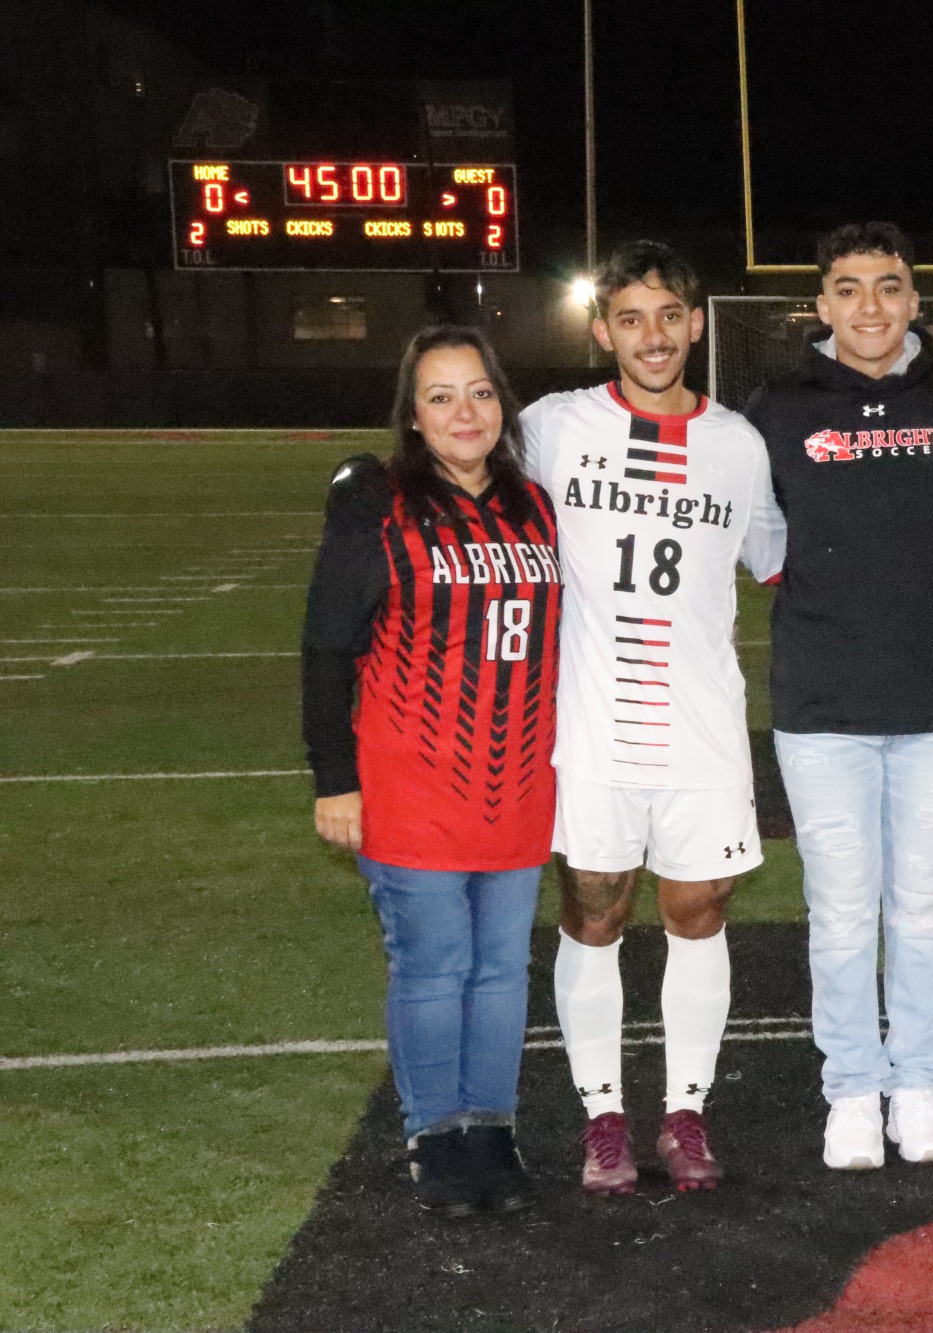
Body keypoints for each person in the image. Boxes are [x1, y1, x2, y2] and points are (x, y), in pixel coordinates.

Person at [521, 240, 786, 1195]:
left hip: (702, 726)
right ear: (602, 331)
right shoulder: (552, 427)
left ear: (697, 323)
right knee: (595, 911)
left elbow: (779, 560)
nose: (652, 336)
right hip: (591, 726)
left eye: (669, 315)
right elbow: (462, 468)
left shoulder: (739, 445)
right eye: (630, 318)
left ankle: (684, 1111)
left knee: (697, 909)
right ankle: (601, 1118)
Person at [742, 223, 933, 1171]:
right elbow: (752, 521)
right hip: (823, 695)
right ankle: (851, 1087)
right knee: (843, 907)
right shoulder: (776, 404)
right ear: (821, 304)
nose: (870, 308)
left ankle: (918, 1082)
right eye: (848, 289)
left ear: (915, 300)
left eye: (888, 287)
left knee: (924, 904)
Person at [302, 325, 561, 1216]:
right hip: (411, 778)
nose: (464, 411)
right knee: (434, 962)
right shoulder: (380, 507)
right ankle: (434, 1135)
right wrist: (334, 778)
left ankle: (493, 1127)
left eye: (480, 392)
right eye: (441, 395)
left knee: (500, 968)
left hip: (520, 780)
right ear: (412, 416)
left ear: (503, 404)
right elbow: (327, 648)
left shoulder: (535, 506)